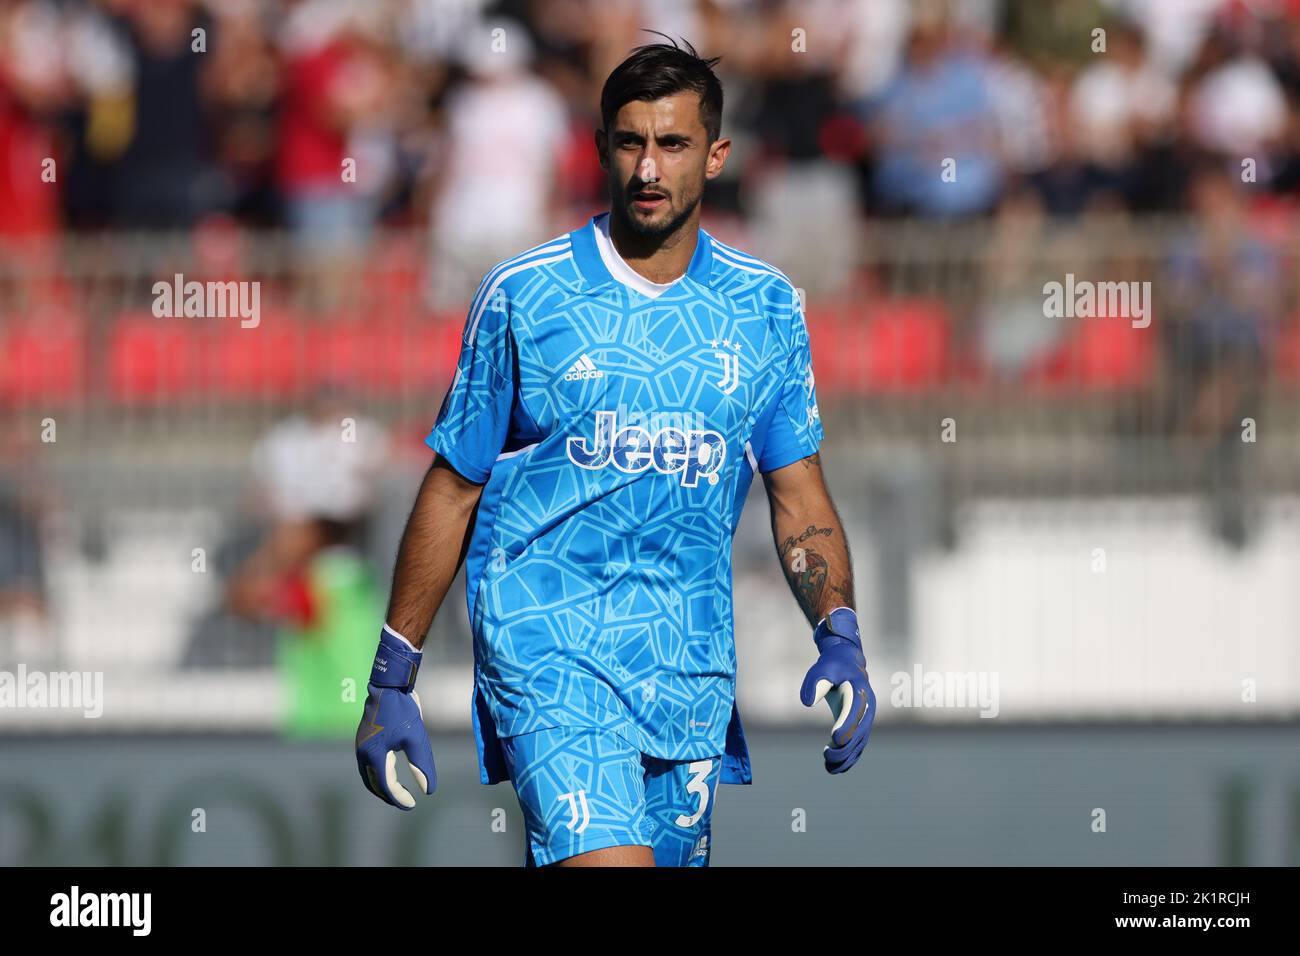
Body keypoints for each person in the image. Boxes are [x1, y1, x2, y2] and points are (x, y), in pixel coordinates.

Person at [354, 36, 875, 867]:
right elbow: (454, 487)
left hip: (686, 670)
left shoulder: (766, 307)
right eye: (629, 142)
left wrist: (839, 628)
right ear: (599, 148)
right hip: (548, 650)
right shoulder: (526, 295)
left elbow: (797, 489)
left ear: (717, 154)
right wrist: (393, 673)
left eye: (672, 144)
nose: (648, 169)